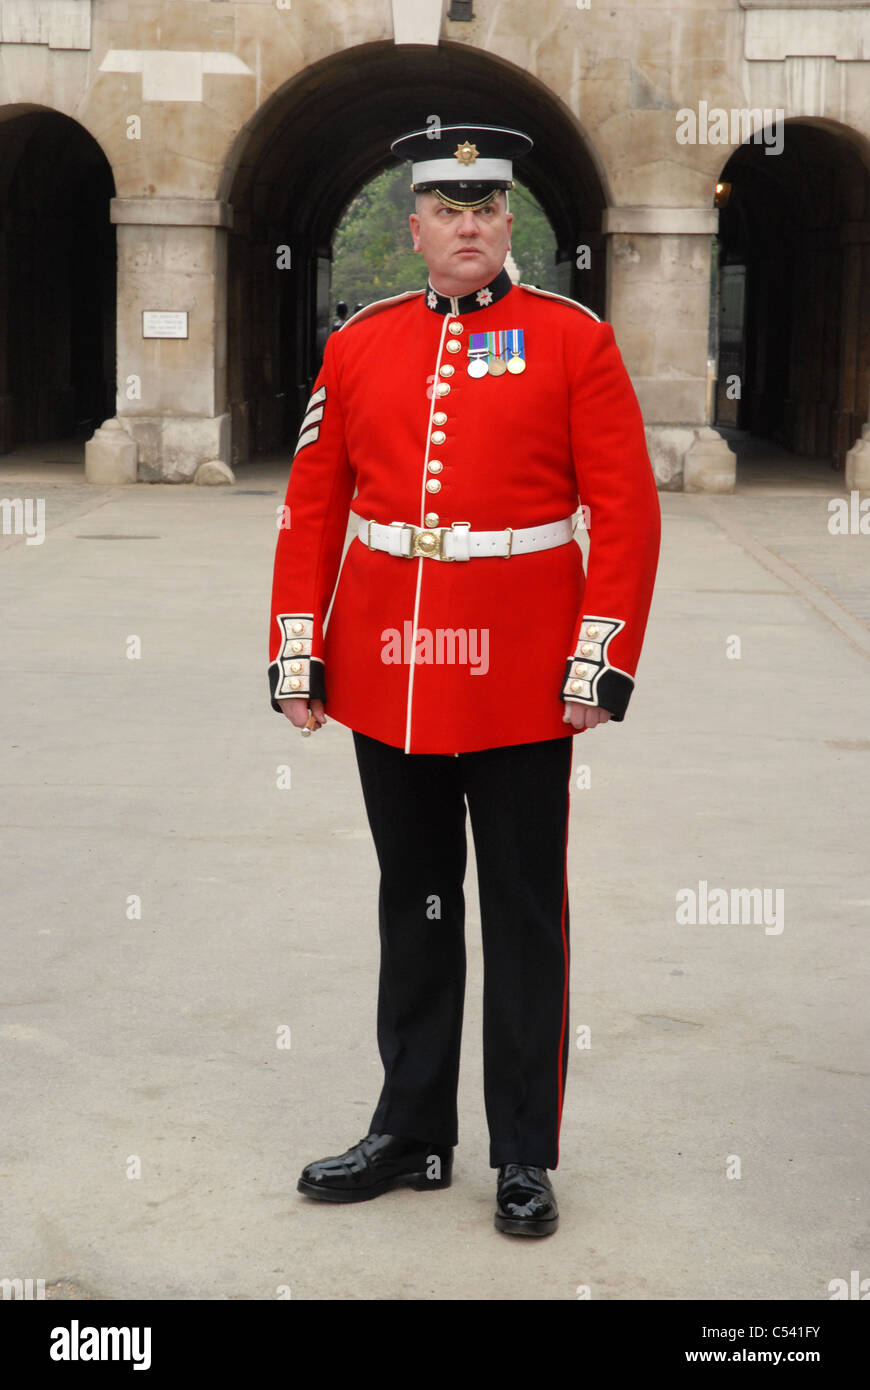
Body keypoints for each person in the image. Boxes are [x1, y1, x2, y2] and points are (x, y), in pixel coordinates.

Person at [267, 123, 661, 1237]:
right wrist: (300, 644)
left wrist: (601, 655)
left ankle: (525, 1154)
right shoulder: (359, 346)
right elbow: (314, 502)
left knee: (527, 913)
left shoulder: (572, 341)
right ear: (418, 227)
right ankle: (413, 1131)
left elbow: (627, 511)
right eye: (449, 208)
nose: (471, 224)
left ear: (508, 222)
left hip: (526, 676)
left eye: (488, 206)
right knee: (416, 903)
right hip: (390, 668)